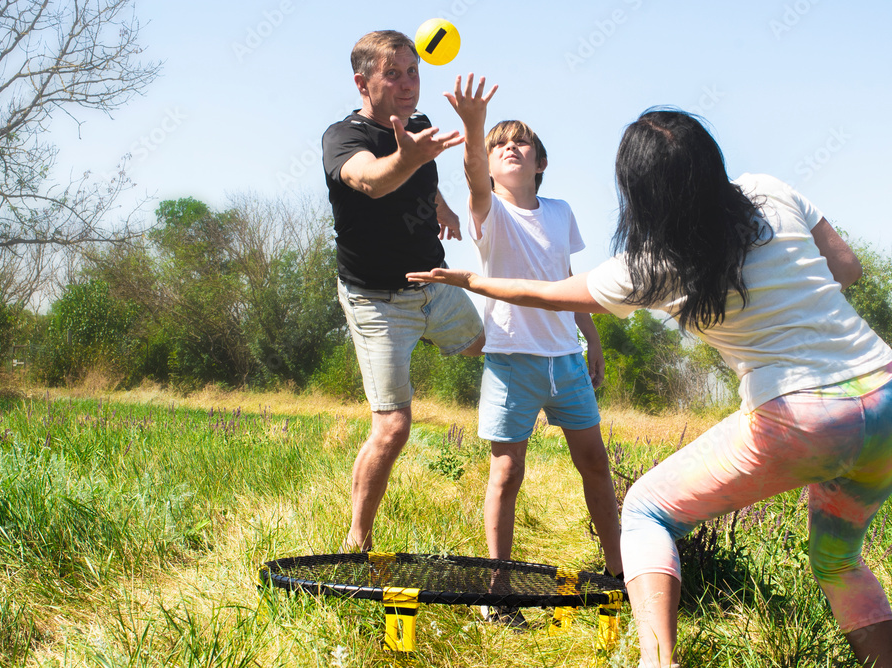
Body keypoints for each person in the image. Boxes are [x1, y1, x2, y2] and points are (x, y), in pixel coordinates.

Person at [407, 109, 892, 667]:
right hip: (882, 394)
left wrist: (469, 280)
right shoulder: (767, 189)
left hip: (803, 417)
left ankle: (657, 660)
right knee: (837, 560)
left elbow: (548, 294)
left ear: (637, 190)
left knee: (643, 512)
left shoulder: (651, 265)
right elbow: (847, 268)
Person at [444, 74, 623, 627]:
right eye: (501, 146)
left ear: (540, 162)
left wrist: (590, 337)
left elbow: (567, 278)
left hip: (565, 361)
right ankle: (497, 595)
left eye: (521, 143)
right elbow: (474, 177)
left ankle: (620, 580)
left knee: (596, 464)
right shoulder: (488, 213)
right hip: (510, 361)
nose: (511, 149)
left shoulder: (562, 211)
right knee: (506, 471)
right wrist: (475, 126)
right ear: (490, 166)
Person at [322, 31, 485, 553]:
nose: (408, 83)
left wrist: (441, 205)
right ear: (362, 81)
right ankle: (356, 542)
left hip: (432, 284)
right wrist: (411, 159)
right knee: (393, 428)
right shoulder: (343, 138)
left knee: (491, 346)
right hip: (377, 301)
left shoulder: (415, 128)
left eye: (413, 71)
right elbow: (372, 181)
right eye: (393, 73)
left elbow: (419, 172)